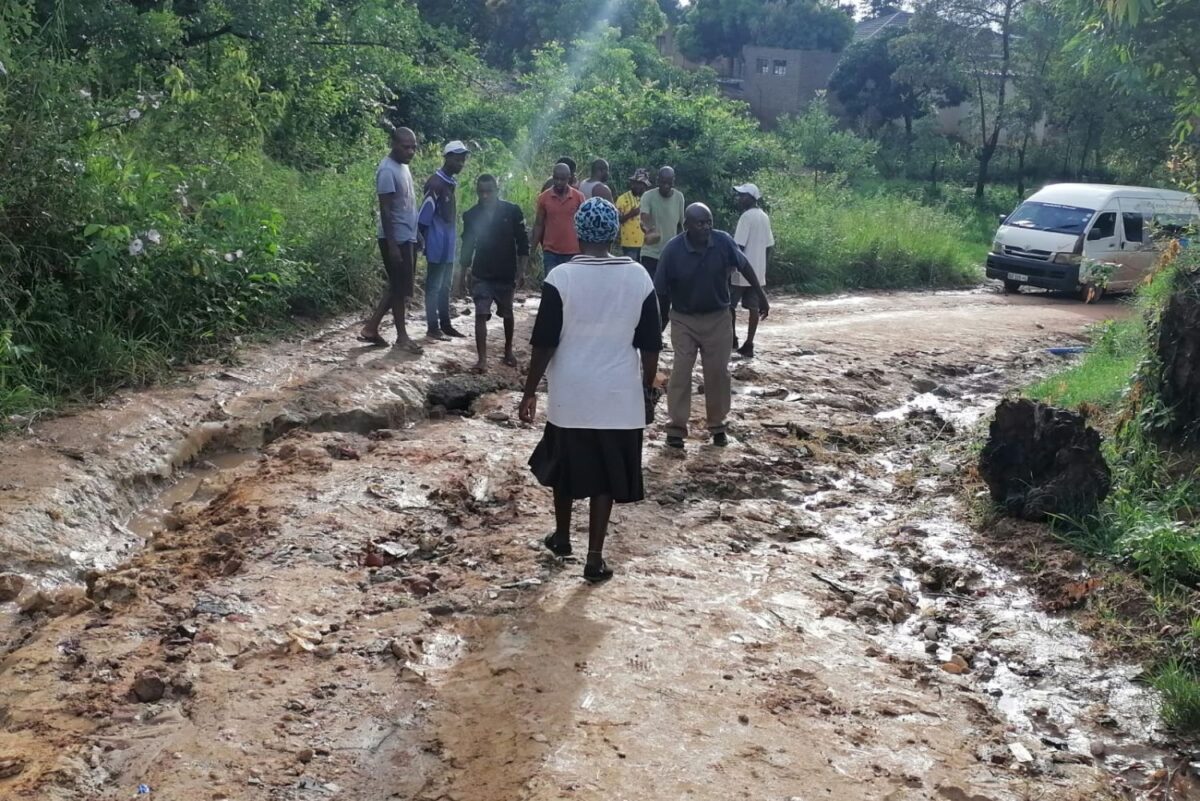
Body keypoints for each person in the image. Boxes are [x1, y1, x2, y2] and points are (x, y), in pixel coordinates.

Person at [519, 197, 662, 583]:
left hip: (571, 393)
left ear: (578, 231)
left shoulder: (561, 278)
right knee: (607, 476)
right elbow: (650, 345)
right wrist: (647, 388)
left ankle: (562, 537)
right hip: (619, 395)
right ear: (614, 233)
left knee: (564, 467)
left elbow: (543, 343)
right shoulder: (638, 277)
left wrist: (529, 391)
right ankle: (594, 558)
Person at [655, 203, 769, 451]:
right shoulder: (672, 250)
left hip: (718, 317)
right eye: (700, 223)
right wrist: (659, 326)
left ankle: (717, 426)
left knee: (717, 373)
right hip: (683, 319)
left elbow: (744, 265)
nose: (706, 227)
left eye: (709, 222)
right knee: (681, 372)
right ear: (687, 226)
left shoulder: (723, 242)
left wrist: (761, 295)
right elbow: (661, 292)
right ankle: (676, 429)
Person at [457, 174, 530, 373]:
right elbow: (467, 246)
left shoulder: (512, 211)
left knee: (507, 313)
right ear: (477, 192)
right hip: (482, 272)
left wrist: (521, 271)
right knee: (481, 313)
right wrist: (462, 275)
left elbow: (523, 242)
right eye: (481, 192)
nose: (485, 196)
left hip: (506, 271)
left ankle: (508, 350)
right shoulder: (471, 215)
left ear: (497, 191)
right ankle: (482, 359)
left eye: (489, 191)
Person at [360, 127, 422, 354]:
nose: (411, 151)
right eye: (406, 147)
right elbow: (385, 211)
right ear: (394, 144)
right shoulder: (387, 170)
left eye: (413, 147)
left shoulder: (403, 167)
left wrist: (417, 234)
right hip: (395, 239)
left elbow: (407, 204)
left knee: (399, 286)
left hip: (407, 236)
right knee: (399, 288)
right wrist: (393, 245)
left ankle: (371, 328)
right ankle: (402, 337)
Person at [418, 141, 470, 341]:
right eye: (457, 159)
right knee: (433, 286)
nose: (460, 163)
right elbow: (424, 216)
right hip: (437, 242)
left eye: (463, 160)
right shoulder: (436, 183)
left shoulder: (448, 182)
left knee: (445, 285)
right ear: (447, 158)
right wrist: (421, 240)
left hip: (448, 243)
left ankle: (446, 325)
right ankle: (433, 327)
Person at [730, 183, 775, 359]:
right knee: (754, 308)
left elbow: (738, 247)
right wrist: (763, 266)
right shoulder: (764, 216)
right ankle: (749, 343)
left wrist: (730, 267)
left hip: (742, 271)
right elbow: (769, 245)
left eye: (743, 196)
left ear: (751, 198)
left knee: (729, 306)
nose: (740, 198)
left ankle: (732, 339)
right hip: (758, 271)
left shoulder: (746, 217)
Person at [531, 163, 585, 275]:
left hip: (574, 253)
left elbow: (585, 224)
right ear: (553, 177)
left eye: (562, 179)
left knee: (571, 284)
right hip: (551, 253)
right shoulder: (544, 198)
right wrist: (532, 250)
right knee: (552, 284)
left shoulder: (578, 197)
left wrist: (586, 251)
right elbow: (539, 224)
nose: (559, 182)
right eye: (556, 178)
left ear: (569, 178)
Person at [638, 166, 685, 278]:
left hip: (671, 254)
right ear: (657, 180)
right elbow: (644, 217)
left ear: (673, 181)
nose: (666, 186)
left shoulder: (679, 197)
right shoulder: (648, 196)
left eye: (669, 183)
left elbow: (680, 226)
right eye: (663, 182)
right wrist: (649, 229)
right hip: (651, 254)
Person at [616, 169, 652, 261]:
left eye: (644, 185)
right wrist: (631, 214)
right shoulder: (622, 199)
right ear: (633, 183)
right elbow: (617, 219)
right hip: (629, 243)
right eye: (640, 184)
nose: (643, 187)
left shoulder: (648, 199)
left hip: (646, 243)